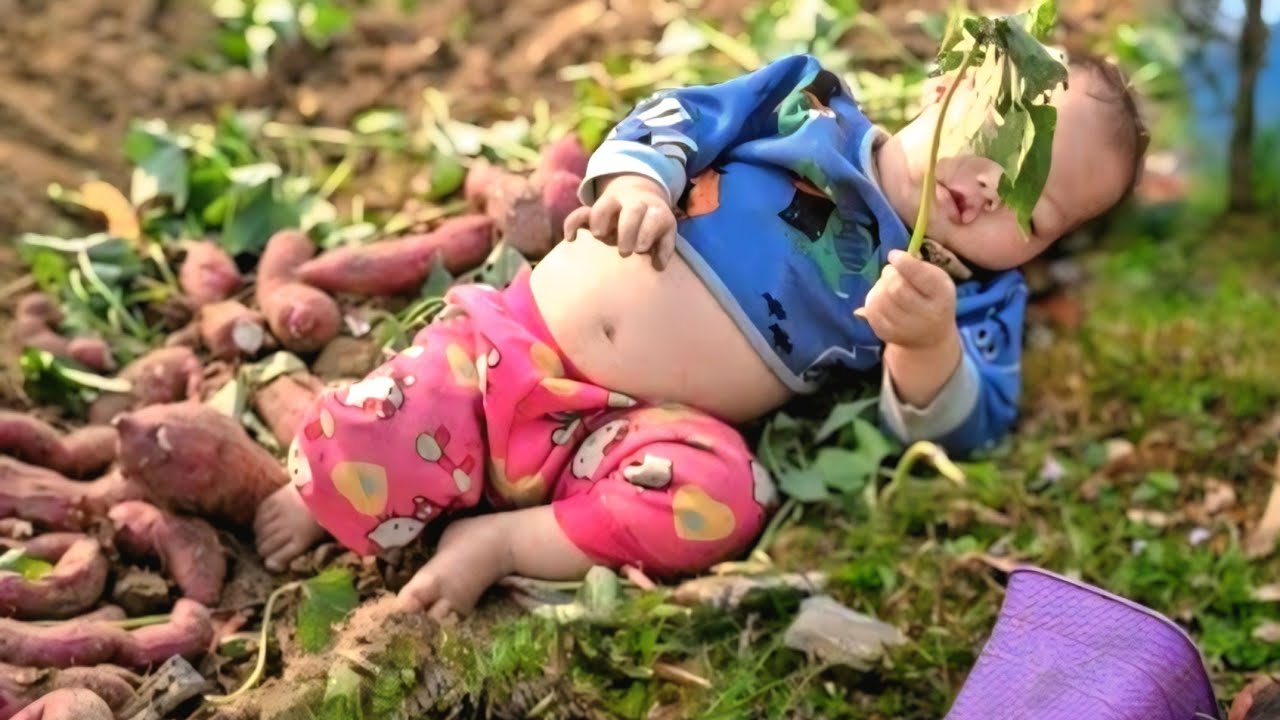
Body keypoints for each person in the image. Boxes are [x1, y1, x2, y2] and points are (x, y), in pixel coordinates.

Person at [254, 51, 1149, 619]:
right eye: (1006, 140)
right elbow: (679, 115)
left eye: (1037, 208)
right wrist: (641, 184)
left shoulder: (968, 292)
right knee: (387, 420)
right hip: (510, 345)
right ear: (950, 82)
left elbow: (974, 420)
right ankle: (322, 484)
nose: (996, 189)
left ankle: (507, 542)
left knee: (722, 496)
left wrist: (924, 347)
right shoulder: (810, 106)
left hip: (628, 436)